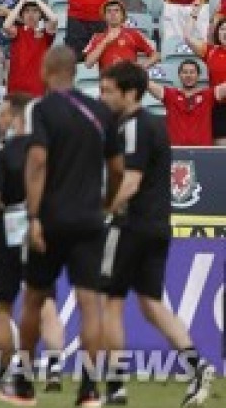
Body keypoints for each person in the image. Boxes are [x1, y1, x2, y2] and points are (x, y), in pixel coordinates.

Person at [1, 47, 122, 406]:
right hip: (89, 219)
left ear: (47, 68)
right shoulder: (101, 111)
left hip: (51, 219)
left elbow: (37, 163)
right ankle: (88, 389)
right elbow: (117, 168)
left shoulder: (42, 109)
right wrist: (107, 203)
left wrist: (34, 217)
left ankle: (23, 382)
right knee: (89, 304)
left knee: (35, 300)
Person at [98, 61, 215, 407]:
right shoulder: (153, 126)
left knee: (112, 303)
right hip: (158, 225)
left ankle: (116, 390)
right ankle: (197, 366)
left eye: (108, 91)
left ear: (130, 92)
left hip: (131, 225)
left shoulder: (134, 126)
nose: (103, 97)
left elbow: (131, 182)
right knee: (150, 304)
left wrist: (102, 213)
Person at [0, 93, 67, 396]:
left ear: (14, 116)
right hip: (43, 227)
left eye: (2, 115)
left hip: (10, 229)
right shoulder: (48, 151)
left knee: (3, 306)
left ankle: (4, 371)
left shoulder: (2, 153)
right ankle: (54, 365)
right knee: (46, 301)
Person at [147, 59, 221, 147]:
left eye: (192, 72)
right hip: (176, 152)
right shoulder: (170, 95)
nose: (188, 75)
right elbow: (144, 82)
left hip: (203, 152)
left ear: (198, 76)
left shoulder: (208, 95)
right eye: (185, 72)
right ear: (179, 75)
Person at [2, 0, 59, 98]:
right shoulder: (17, 31)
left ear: (40, 15)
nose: (31, 14)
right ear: (22, 15)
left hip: (37, 88)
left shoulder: (45, 33)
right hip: (15, 88)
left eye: (35, 11)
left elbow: (54, 19)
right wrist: (22, 1)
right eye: (27, 11)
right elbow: (6, 26)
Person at [180, 20, 226, 146]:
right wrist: (194, 14)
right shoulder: (211, 51)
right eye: (222, 29)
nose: (225, 32)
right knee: (221, 152)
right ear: (217, 33)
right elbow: (187, 37)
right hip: (220, 108)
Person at [83, 0, 160, 72]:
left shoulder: (133, 34)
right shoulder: (97, 37)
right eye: (109, 11)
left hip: (129, 80)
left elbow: (156, 55)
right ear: (104, 16)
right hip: (108, 81)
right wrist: (105, 42)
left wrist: (142, 67)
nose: (113, 14)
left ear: (123, 15)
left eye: (116, 11)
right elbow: (88, 64)